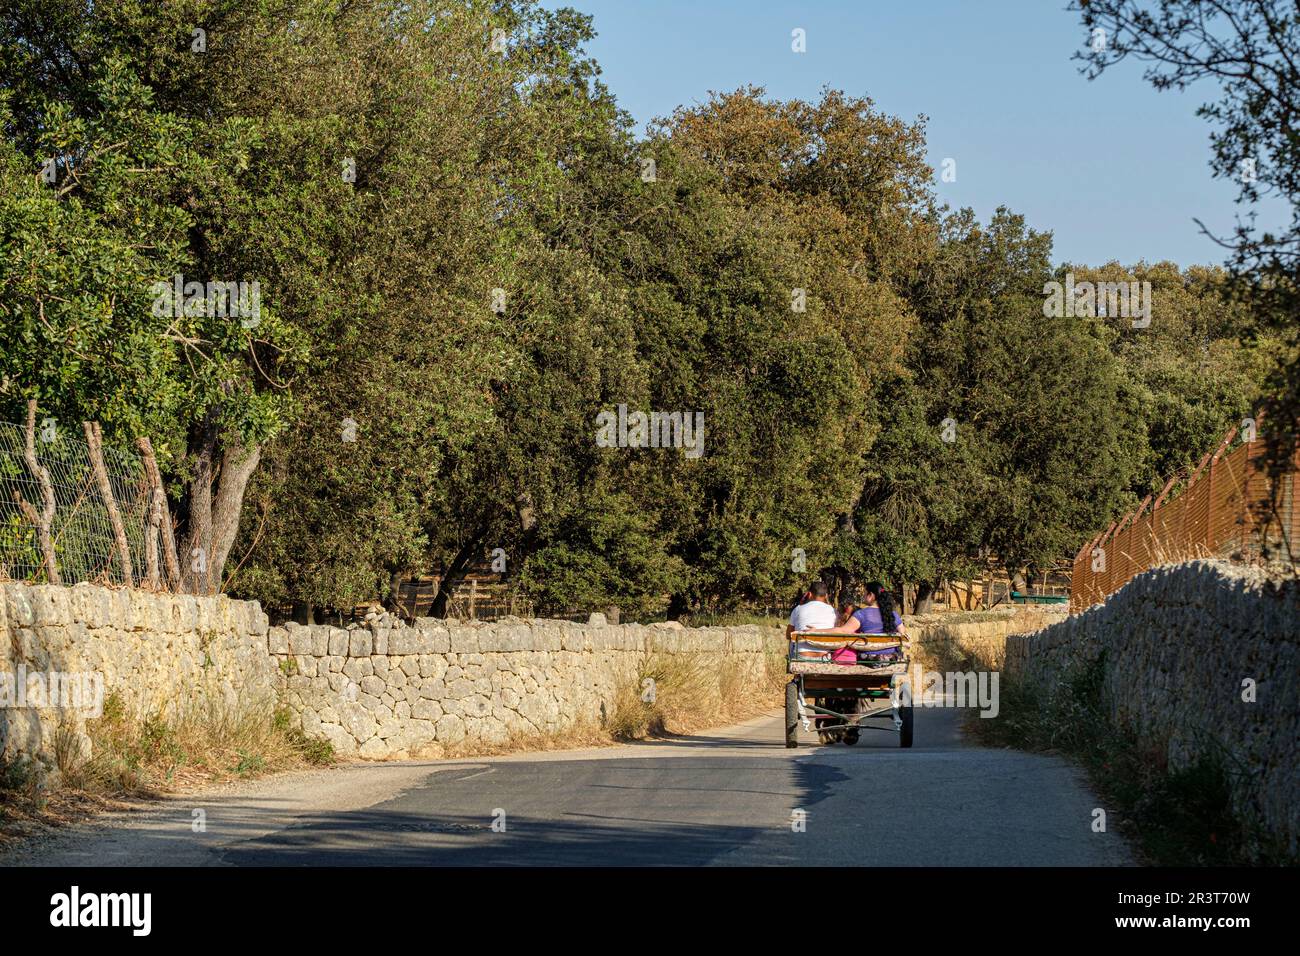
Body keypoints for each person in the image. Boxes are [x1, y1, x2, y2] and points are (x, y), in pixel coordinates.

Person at [808, 581, 906, 638]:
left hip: (871, 659)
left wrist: (816, 630)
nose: (862, 595)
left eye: (865, 593)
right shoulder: (893, 614)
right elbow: (903, 634)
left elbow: (842, 631)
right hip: (891, 658)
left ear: (871, 595)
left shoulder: (861, 614)